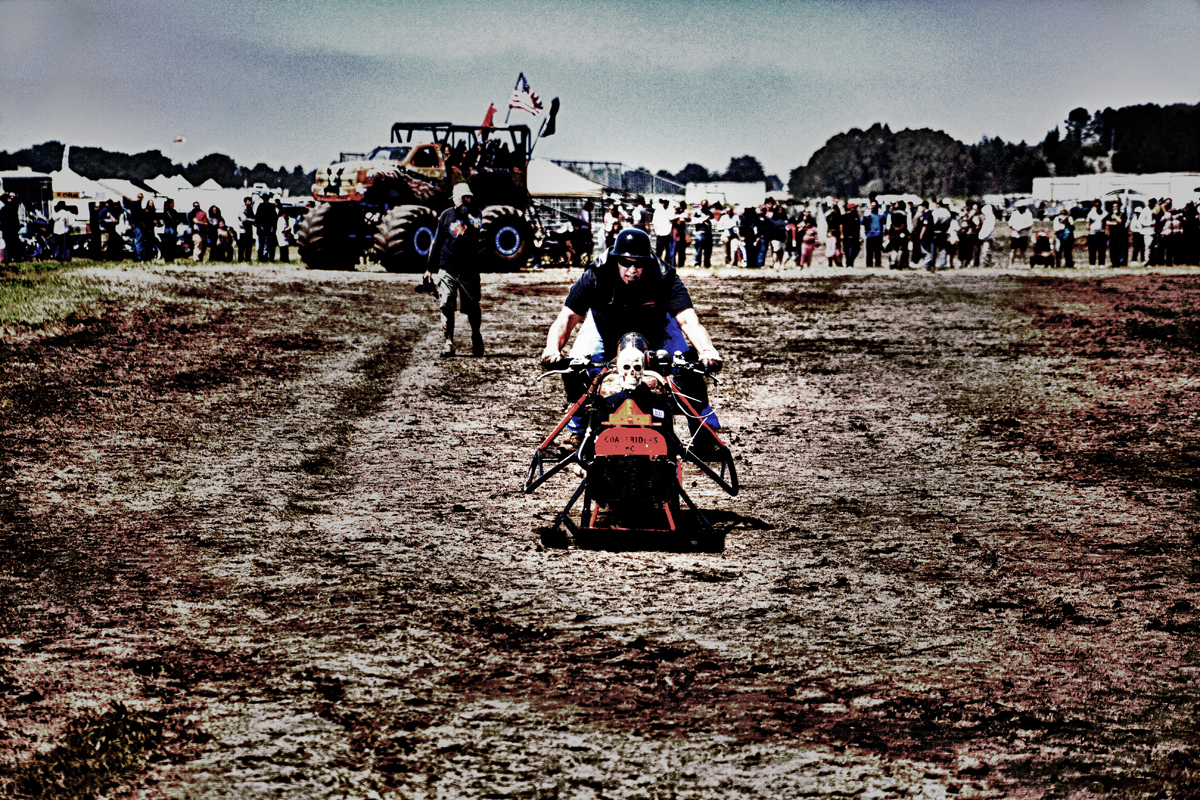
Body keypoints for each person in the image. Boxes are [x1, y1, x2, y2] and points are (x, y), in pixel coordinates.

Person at [539, 227, 723, 456]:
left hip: (657, 328)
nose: (632, 270)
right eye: (626, 263)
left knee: (689, 368)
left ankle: (705, 435)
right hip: (604, 326)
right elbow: (567, 318)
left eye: (639, 264)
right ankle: (578, 433)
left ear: (648, 262)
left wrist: (707, 350)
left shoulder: (665, 277)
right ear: (616, 260)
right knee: (576, 366)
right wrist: (552, 348)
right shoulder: (595, 275)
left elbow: (688, 320)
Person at [423, 183, 484, 357]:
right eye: (461, 197)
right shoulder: (445, 215)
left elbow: (476, 227)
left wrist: (466, 212)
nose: (464, 200)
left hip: (468, 270)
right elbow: (437, 241)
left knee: (472, 306)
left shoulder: (476, 214)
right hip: (447, 267)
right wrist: (430, 268)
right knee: (446, 305)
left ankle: (476, 336)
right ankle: (448, 343)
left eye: (466, 197)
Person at [1105, 199, 1127, 268]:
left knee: (1120, 249)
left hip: (1120, 234)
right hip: (1112, 234)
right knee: (1112, 249)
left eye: (1116, 206)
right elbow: (1106, 222)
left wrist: (1115, 216)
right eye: (1114, 207)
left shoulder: (1122, 214)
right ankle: (1114, 263)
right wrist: (1114, 223)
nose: (1115, 208)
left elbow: (1120, 221)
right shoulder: (1109, 214)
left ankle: (1121, 263)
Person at [862, 201, 886, 268]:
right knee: (869, 251)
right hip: (869, 234)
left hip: (878, 234)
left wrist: (882, 215)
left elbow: (885, 222)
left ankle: (878, 264)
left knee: (878, 251)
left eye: (874, 205)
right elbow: (862, 222)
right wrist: (865, 216)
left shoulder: (880, 214)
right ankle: (869, 264)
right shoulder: (867, 214)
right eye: (872, 206)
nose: (873, 207)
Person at [691, 200, 713, 268]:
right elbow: (693, 221)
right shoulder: (697, 213)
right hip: (699, 233)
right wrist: (702, 220)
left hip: (708, 233)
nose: (704, 207)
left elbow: (713, 222)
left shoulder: (710, 213)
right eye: (703, 205)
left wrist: (709, 221)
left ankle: (707, 264)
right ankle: (697, 264)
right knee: (699, 249)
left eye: (706, 205)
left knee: (708, 250)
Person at [255, 197, 278, 262]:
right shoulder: (260, 206)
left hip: (270, 228)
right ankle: (261, 258)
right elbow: (258, 217)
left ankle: (270, 258)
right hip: (262, 229)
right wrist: (260, 225)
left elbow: (274, 217)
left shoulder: (271, 206)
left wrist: (272, 226)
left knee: (271, 245)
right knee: (262, 245)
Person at [1085, 198, 1107, 267]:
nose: (1097, 206)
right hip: (1092, 234)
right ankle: (1092, 263)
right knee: (1092, 250)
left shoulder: (1104, 213)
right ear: (1094, 206)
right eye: (1096, 205)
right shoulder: (1091, 214)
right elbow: (1088, 223)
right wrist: (1088, 231)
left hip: (1101, 233)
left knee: (1102, 250)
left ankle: (1101, 263)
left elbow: (1106, 223)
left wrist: (1106, 231)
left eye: (1099, 205)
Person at [236, 196, 256, 262]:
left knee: (249, 246)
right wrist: (251, 220)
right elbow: (244, 219)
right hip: (243, 230)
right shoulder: (242, 209)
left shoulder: (250, 209)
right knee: (242, 246)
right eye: (248, 201)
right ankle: (240, 259)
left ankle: (248, 259)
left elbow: (254, 219)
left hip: (249, 230)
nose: (249, 202)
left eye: (250, 201)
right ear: (245, 202)